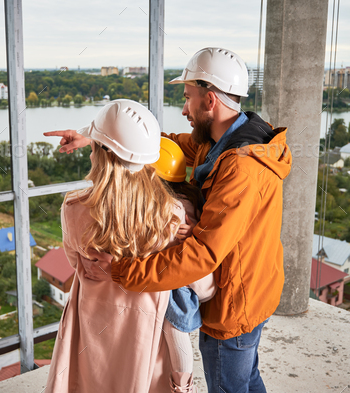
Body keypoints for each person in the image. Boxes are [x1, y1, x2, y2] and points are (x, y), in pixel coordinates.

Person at [45, 47, 292, 393]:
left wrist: (120, 271)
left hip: (236, 297)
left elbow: (202, 256)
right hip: (251, 279)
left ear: (209, 100)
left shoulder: (242, 168)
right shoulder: (230, 138)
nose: (183, 108)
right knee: (248, 379)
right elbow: (158, 145)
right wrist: (95, 135)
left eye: (188, 98)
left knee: (230, 386)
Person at [44, 99, 186, 393]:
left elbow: (75, 262)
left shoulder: (73, 209)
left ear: (97, 153)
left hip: (89, 326)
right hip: (144, 335)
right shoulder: (172, 216)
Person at [153, 137, 216, 393]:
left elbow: (158, 244)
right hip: (192, 277)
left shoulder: (170, 206)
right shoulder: (188, 194)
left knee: (175, 329)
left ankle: (182, 387)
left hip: (180, 284)